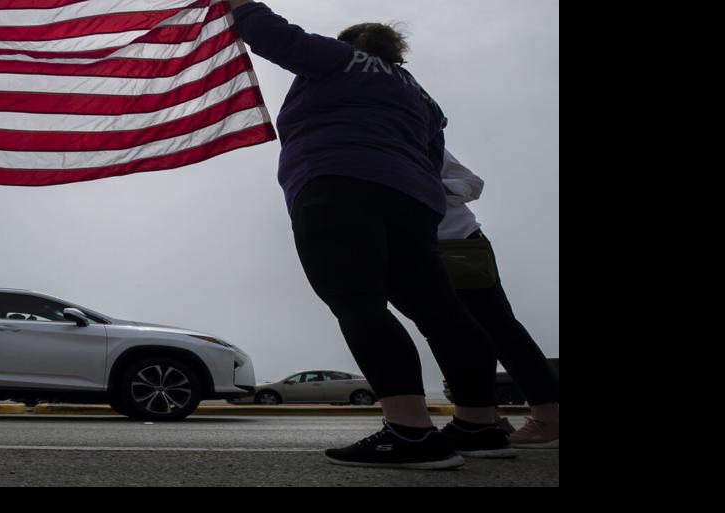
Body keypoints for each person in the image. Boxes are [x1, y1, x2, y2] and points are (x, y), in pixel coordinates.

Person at [227, 1, 511, 470]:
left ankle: (410, 432)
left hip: (337, 184)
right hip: (413, 202)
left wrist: (239, 5)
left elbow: (278, 37)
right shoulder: (421, 97)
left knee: (359, 303)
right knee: (440, 310)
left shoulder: (343, 59)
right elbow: (432, 156)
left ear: (354, 42)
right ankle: (479, 425)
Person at [439, 150, 560, 448]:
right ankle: (484, 419)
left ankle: (550, 417)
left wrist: (429, 187)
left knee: (498, 328)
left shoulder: (417, 135)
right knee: (450, 335)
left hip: (458, 244)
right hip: (414, 247)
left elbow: (472, 183)